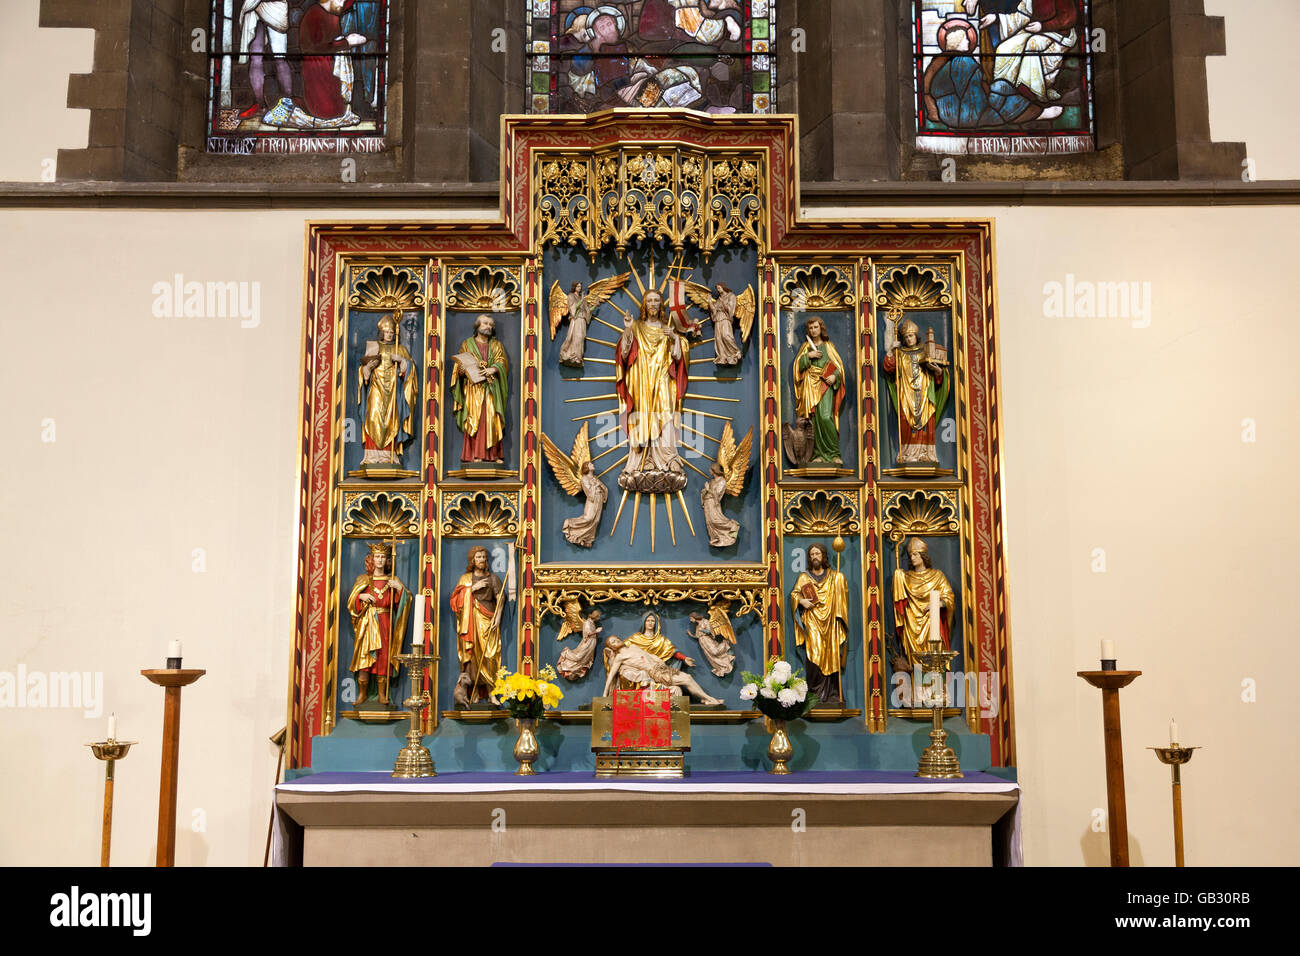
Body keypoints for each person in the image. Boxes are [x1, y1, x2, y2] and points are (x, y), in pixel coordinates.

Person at [922, 19, 1064, 131]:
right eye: (965, 39)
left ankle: (1031, 109)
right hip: (965, 114)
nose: (968, 41)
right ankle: (1037, 114)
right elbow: (974, 97)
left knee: (1001, 86)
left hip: (952, 112)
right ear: (957, 42)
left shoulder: (940, 63)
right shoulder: (963, 61)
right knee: (1004, 102)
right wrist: (992, 101)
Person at [615, 289, 689, 492]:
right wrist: (628, 330)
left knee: (665, 413)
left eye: (657, 300)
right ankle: (640, 461)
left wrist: (674, 338)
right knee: (641, 416)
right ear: (644, 305)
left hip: (662, 378)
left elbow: (676, 358)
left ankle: (667, 458)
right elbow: (624, 353)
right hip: (641, 380)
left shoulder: (667, 329)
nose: (654, 304)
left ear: (661, 304)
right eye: (650, 301)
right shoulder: (637, 327)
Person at [346, 541, 409, 706]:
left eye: (383, 557)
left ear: (387, 560)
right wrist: (361, 597)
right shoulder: (363, 579)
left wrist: (400, 590)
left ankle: (382, 694)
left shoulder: (393, 579)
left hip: (385, 622)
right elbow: (351, 601)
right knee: (364, 659)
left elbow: (404, 602)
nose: (380, 560)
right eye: (377, 557)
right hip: (368, 623)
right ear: (371, 559)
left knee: (383, 658)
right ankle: (362, 694)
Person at [985, 0, 1082, 103]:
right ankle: (1004, 87)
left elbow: (1068, 18)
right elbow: (1022, 16)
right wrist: (997, 18)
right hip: (1034, 32)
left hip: (1058, 34)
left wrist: (1043, 26)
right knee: (1004, 48)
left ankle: (1030, 91)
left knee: (1032, 44)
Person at [883, 318, 949, 466]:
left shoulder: (926, 351)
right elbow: (889, 368)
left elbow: (939, 375)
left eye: (911, 336)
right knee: (906, 423)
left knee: (927, 426)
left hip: (925, 395)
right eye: (906, 337)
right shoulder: (900, 353)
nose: (908, 339)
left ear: (916, 336)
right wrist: (891, 351)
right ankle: (908, 454)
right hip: (907, 394)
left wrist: (937, 371)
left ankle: (927, 455)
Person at [789, 542, 850, 703]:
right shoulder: (804, 577)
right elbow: (794, 594)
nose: (815, 557)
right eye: (812, 554)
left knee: (831, 655)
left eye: (817, 553)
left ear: (823, 556)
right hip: (812, 621)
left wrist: (839, 582)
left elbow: (843, 600)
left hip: (831, 622)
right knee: (814, 656)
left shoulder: (835, 577)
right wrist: (802, 601)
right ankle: (814, 693)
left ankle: (833, 694)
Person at [357, 312, 417, 470]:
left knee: (391, 421)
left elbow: (411, 372)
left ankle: (389, 455)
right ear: (381, 333)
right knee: (373, 417)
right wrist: (367, 369)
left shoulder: (401, 349)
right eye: (387, 332)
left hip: (393, 392)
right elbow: (363, 373)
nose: (389, 335)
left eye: (392, 332)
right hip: (376, 389)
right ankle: (372, 455)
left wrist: (403, 362)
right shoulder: (374, 347)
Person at [450, 314, 509, 465]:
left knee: (491, 419)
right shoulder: (467, 344)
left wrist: (494, 369)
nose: (488, 326)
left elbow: (502, 362)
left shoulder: (496, 345)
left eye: (490, 324)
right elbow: (459, 366)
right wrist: (461, 371)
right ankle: (475, 454)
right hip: (473, 389)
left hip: (491, 389)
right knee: (475, 420)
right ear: (477, 326)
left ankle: (493, 455)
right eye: (485, 323)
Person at [448, 546, 504, 706]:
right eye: (478, 557)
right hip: (471, 621)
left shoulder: (493, 578)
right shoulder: (465, 579)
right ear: (473, 560)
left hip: (489, 621)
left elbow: (500, 599)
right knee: (472, 659)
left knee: (489, 657)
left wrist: (498, 618)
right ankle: (475, 694)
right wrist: (471, 590)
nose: (482, 560)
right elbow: (454, 602)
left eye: (484, 557)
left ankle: (492, 693)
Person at [892, 538, 955, 672]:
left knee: (934, 662)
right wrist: (898, 576)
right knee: (916, 665)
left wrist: (939, 603)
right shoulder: (907, 577)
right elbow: (899, 598)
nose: (912, 558)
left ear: (923, 555)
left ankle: (937, 688)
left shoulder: (937, 576)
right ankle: (919, 688)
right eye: (910, 555)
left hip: (931, 623)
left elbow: (948, 596)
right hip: (912, 625)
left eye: (915, 554)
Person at [298, 0, 367, 122]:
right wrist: (347, 42)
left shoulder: (333, 15)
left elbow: (332, 43)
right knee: (327, 111)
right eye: (339, 0)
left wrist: (347, 42)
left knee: (338, 110)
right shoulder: (314, 14)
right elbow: (312, 48)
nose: (342, 4)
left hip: (331, 65)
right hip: (315, 67)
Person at [791, 317, 847, 465]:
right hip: (810, 385)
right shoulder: (806, 347)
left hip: (825, 385)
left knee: (825, 416)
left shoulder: (828, 346)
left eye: (815, 327)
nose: (813, 330)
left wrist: (834, 377)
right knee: (813, 420)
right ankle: (818, 454)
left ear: (821, 328)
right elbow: (798, 367)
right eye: (810, 328)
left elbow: (839, 368)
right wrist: (808, 356)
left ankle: (834, 453)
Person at [602, 638, 723, 706]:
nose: (616, 641)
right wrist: (604, 694)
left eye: (616, 638)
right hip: (655, 673)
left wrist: (660, 661)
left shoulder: (633, 646)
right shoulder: (619, 657)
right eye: (613, 642)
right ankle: (709, 699)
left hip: (662, 668)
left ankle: (704, 699)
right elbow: (611, 675)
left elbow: (649, 655)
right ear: (612, 648)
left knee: (688, 677)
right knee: (686, 679)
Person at [557, 609, 602, 681]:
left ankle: (576, 669)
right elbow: (587, 633)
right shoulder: (587, 623)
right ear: (595, 616)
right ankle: (566, 653)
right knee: (579, 656)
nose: (599, 618)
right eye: (598, 617)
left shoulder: (592, 623)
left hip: (592, 642)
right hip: (587, 642)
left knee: (585, 658)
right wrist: (596, 631)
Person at [707, 283, 741, 366]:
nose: (718, 290)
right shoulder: (718, 299)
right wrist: (710, 301)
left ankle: (736, 352)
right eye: (717, 289)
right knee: (718, 338)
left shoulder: (731, 296)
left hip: (726, 318)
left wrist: (724, 305)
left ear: (723, 287)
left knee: (726, 335)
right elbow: (714, 310)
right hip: (718, 318)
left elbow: (731, 309)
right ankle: (722, 357)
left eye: (719, 288)